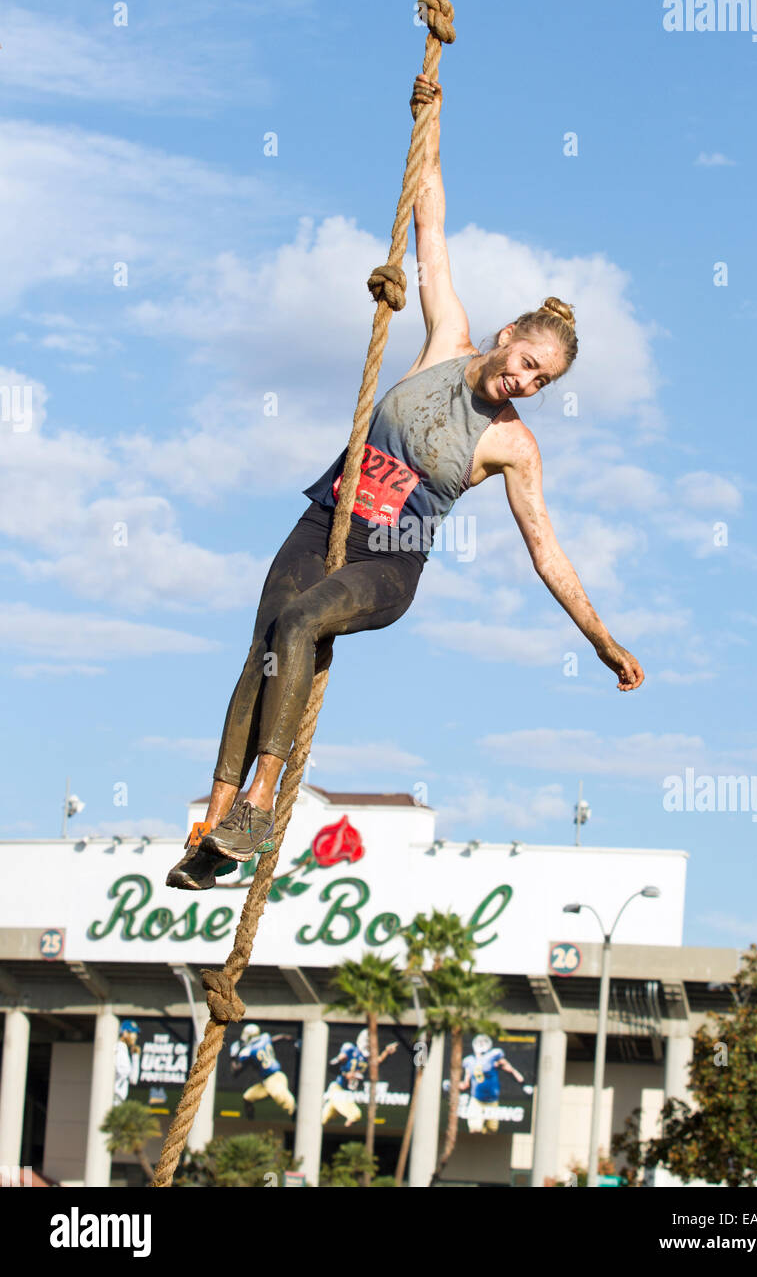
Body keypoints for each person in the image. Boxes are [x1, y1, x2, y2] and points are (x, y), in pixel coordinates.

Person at [167, 73, 644, 892]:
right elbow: (431, 220)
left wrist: (601, 642)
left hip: (391, 560)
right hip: (330, 515)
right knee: (266, 648)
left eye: (543, 383)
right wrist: (429, 119)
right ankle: (211, 829)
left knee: (306, 619)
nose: (527, 383)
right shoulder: (446, 340)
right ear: (504, 339)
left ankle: (259, 805)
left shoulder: (513, 448)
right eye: (528, 364)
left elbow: (547, 555)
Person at [321, 1029, 398, 1128]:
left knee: (322, 1120)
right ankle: (346, 1139)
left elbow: (378, 1062)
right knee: (355, 1115)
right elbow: (332, 1066)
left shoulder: (367, 1057)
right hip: (338, 1090)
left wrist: (387, 1052)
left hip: (346, 1093)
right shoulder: (350, 1049)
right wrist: (345, 1074)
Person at [459, 1033, 530, 1135]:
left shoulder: (494, 1056)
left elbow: (510, 1070)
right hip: (476, 1100)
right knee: (474, 1130)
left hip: (492, 1101)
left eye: (483, 1043)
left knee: (491, 1132)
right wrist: (452, 1086)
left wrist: (523, 1084)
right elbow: (466, 1084)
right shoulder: (469, 1061)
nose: (481, 1045)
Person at [229, 1022, 296, 1118]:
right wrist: (293, 1040)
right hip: (271, 1080)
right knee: (247, 1098)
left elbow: (235, 1072)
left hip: (273, 1081)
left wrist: (232, 1057)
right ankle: (251, 1124)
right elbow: (280, 1038)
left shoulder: (248, 1051)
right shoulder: (265, 1038)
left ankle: (302, 1127)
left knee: (290, 1106)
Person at [113, 1018, 141, 1105]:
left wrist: (135, 1057)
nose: (135, 1036)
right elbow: (123, 1072)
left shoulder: (125, 1050)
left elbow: (133, 1079)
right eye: (133, 1033)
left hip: (119, 1100)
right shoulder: (118, 1048)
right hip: (114, 1098)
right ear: (125, 1033)